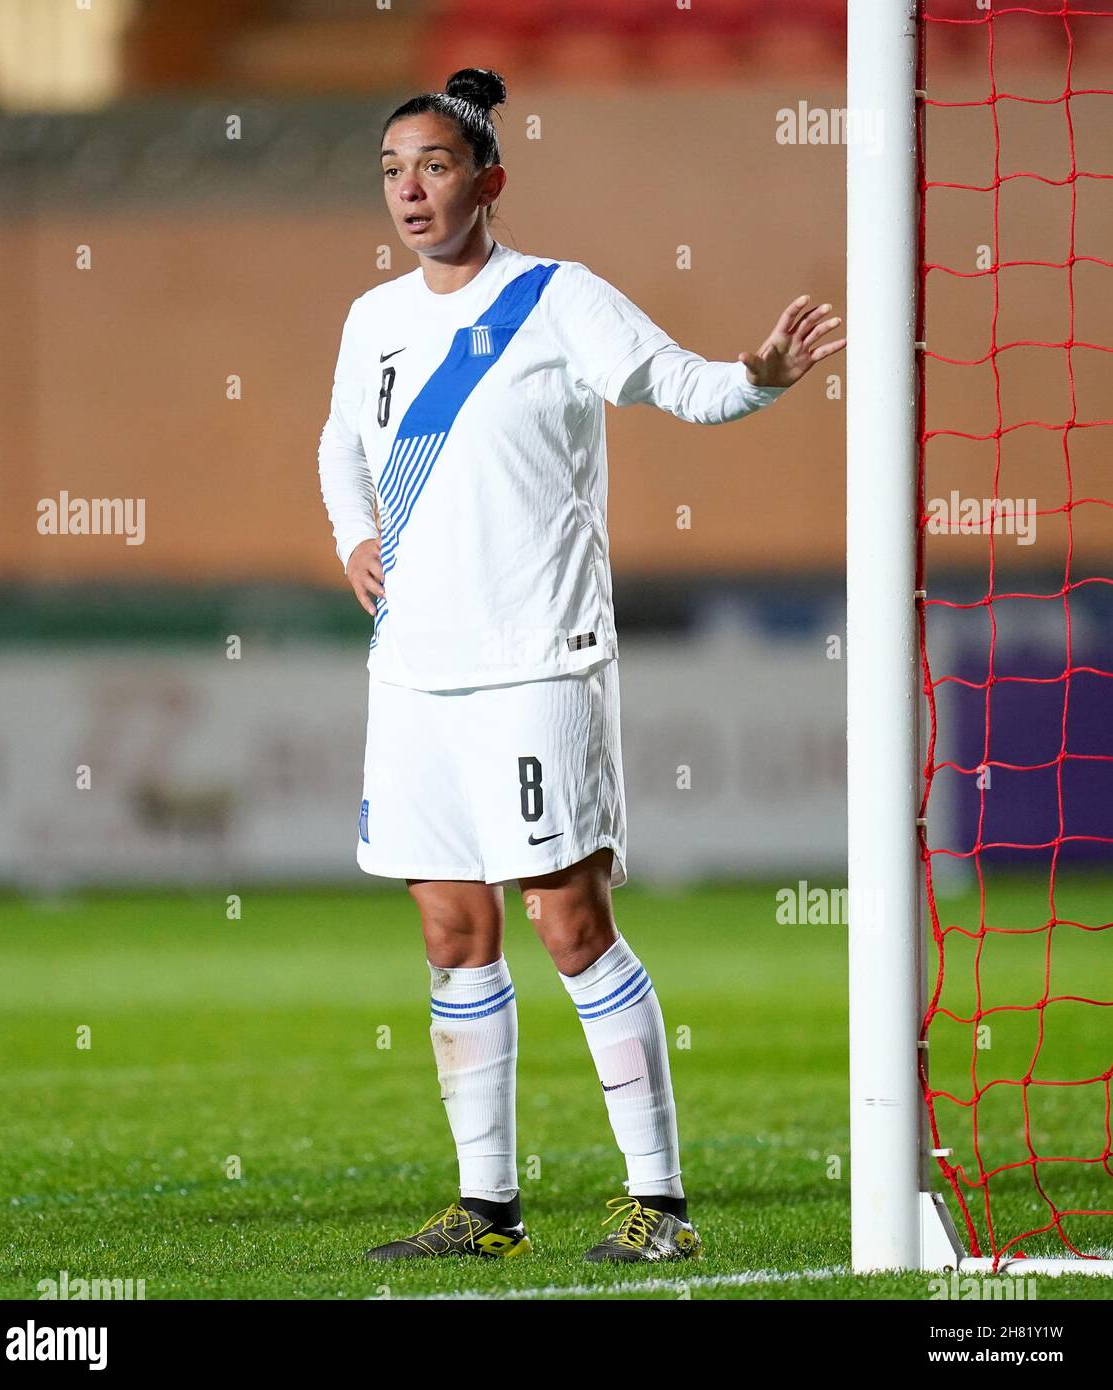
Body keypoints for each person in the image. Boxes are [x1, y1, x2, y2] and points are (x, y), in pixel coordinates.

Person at [317, 66, 846, 1264]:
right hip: (411, 673)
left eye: (434, 166)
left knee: (567, 922)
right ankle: (486, 1207)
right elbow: (339, 441)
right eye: (392, 170)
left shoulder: (555, 300)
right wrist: (352, 531)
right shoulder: (374, 320)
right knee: (451, 930)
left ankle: (658, 1201)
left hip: (535, 663)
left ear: (488, 179)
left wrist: (756, 376)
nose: (409, 189)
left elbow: (679, 383)